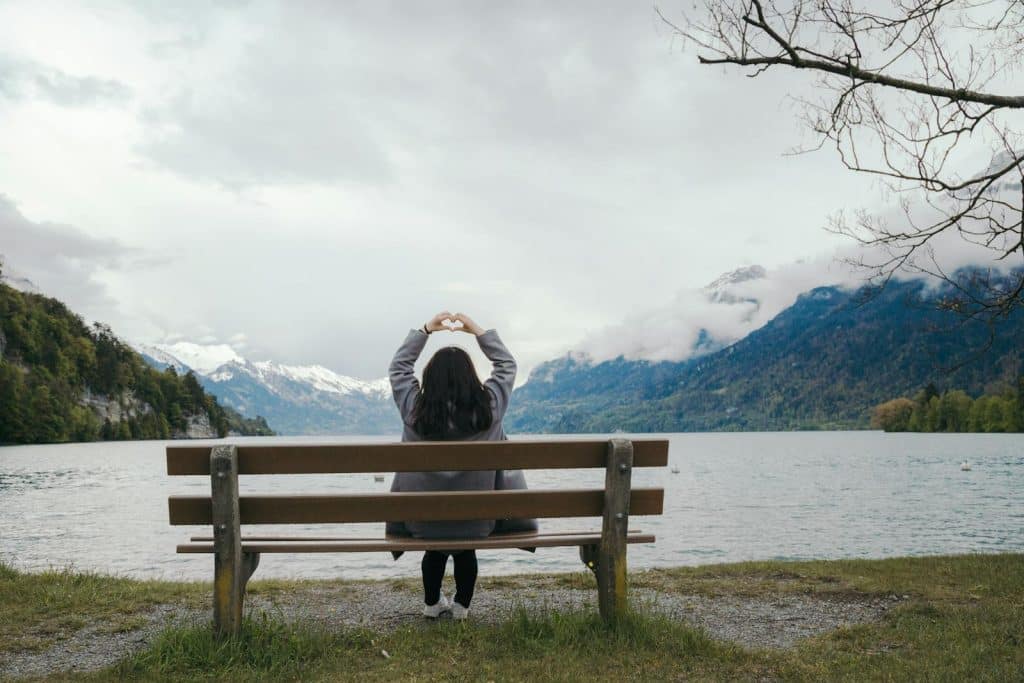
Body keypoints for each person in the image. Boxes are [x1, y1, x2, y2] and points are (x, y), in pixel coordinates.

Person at [387, 311, 517, 621]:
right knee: (464, 547)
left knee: (435, 549)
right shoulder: (491, 409)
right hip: (477, 522)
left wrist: (425, 330)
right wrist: (477, 331)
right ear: (472, 377)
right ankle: (461, 607)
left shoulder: (414, 411)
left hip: (423, 522)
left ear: (428, 379)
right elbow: (507, 366)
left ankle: (432, 604)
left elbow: (399, 368)